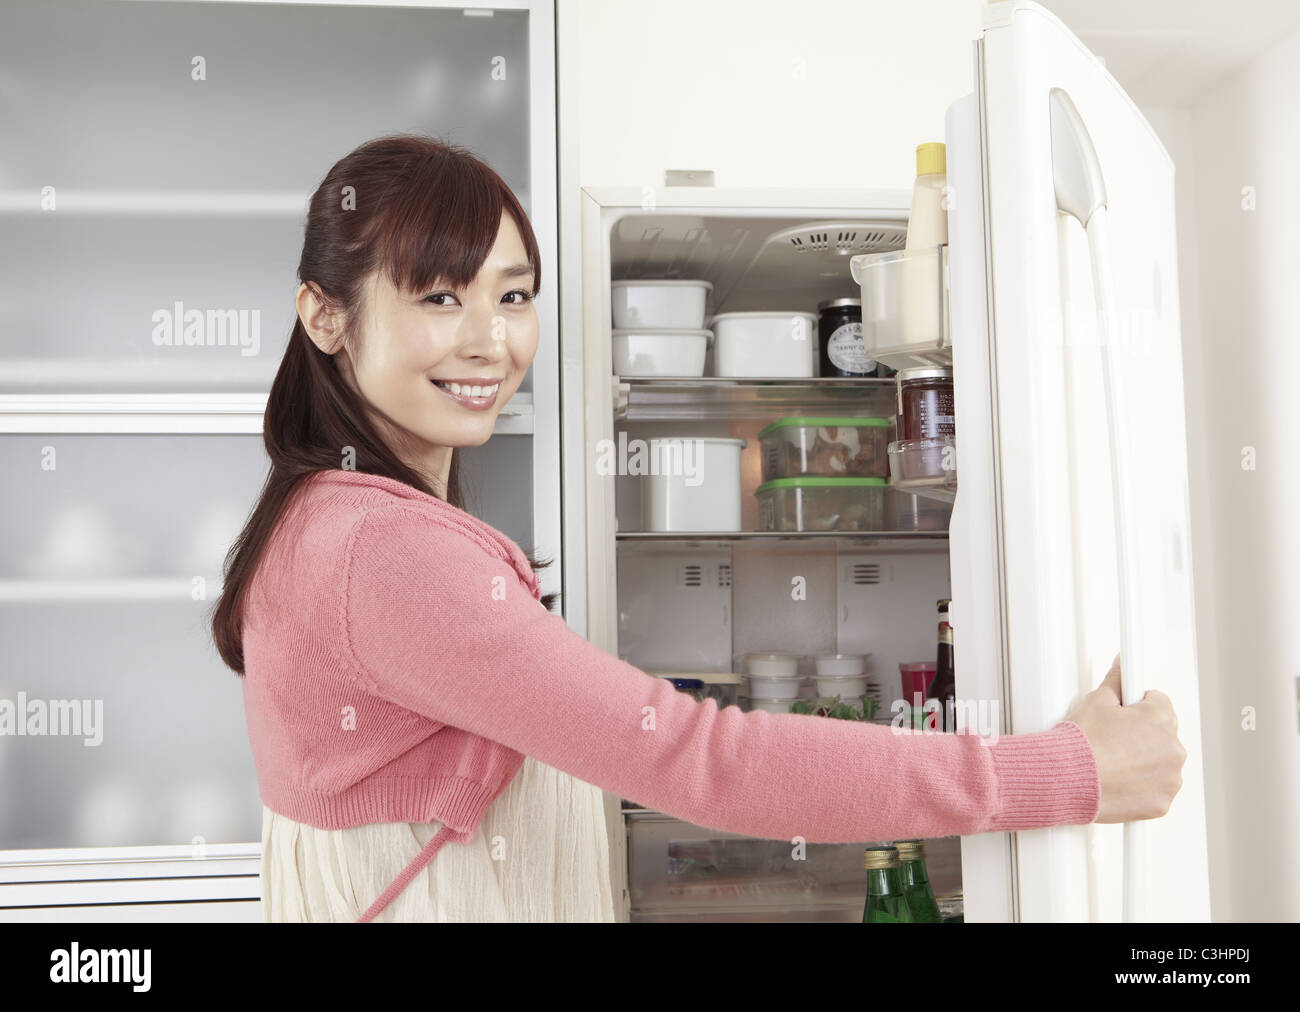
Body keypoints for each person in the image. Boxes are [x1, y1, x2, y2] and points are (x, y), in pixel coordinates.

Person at [210, 134, 1187, 923]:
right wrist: (1067, 772)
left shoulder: (319, 519)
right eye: (437, 296)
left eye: (511, 295)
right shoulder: (384, 550)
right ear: (325, 317)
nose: (489, 339)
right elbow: (702, 761)